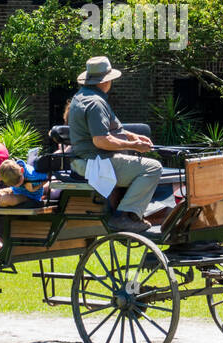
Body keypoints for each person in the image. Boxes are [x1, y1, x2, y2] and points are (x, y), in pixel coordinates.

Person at [67, 56, 161, 233]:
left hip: (88, 160)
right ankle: (124, 216)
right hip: (96, 163)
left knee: (145, 166)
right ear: (106, 81)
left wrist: (133, 137)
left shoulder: (82, 97)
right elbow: (101, 140)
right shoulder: (96, 103)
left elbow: (111, 129)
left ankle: (131, 212)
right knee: (153, 168)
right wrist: (135, 147)